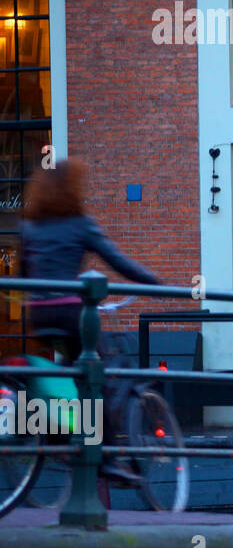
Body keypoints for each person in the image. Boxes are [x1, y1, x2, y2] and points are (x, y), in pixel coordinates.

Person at [19, 158, 160, 486]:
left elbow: (26, 272)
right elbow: (116, 260)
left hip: (39, 314)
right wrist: (153, 281)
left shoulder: (29, 226)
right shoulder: (79, 223)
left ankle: (59, 435)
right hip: (72, 313)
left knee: (73, 372)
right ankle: (106, 458)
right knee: (98, 376)